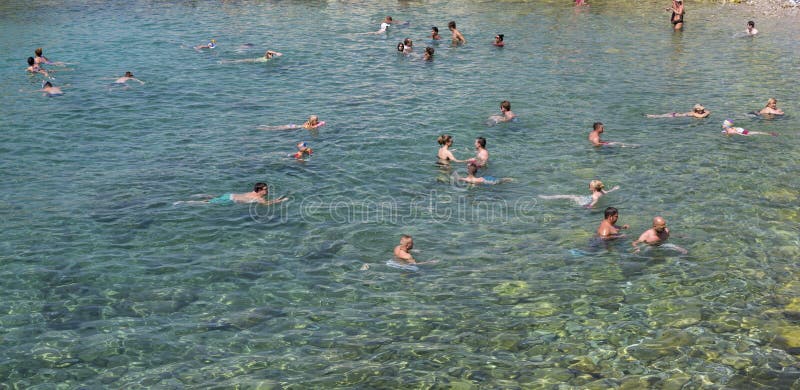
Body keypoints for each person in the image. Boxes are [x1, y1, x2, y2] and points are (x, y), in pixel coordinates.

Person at [539, 180, 620, 208]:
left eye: (589, 186)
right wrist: (614, 189)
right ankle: (551, 197)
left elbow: (595, 201)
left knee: (570, 196)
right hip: (587, 198)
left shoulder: (595, 195)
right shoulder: (602, 191)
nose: (589, 187)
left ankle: (549, 198)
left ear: (593, 189)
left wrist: (588, 206)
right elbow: (608, 192)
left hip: (584, 202)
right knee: (573, 196)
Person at [206, 182, 287, 205]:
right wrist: (280, 200)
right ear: (259, 190)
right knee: (206, 202)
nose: (267, 190)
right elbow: (266, 204)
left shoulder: (252, 192)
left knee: (214, 198)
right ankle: (196, 202)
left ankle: (203, 195)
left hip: (229, 195)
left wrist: (277, 198)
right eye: (265, 189)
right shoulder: (259, 198)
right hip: (229, 200)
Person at [259, 115, 326, 131]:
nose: (317, 121)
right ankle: (265, 128)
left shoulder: (307, 123)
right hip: (293, 127)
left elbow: (320, 122)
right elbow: (319, 124)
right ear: (313, 121)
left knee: (276, 127)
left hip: (292, 125)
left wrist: (319, 123)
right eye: (316, 120)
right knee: (276, 129)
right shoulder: (310, 126)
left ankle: (264, 126)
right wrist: (320, 124)